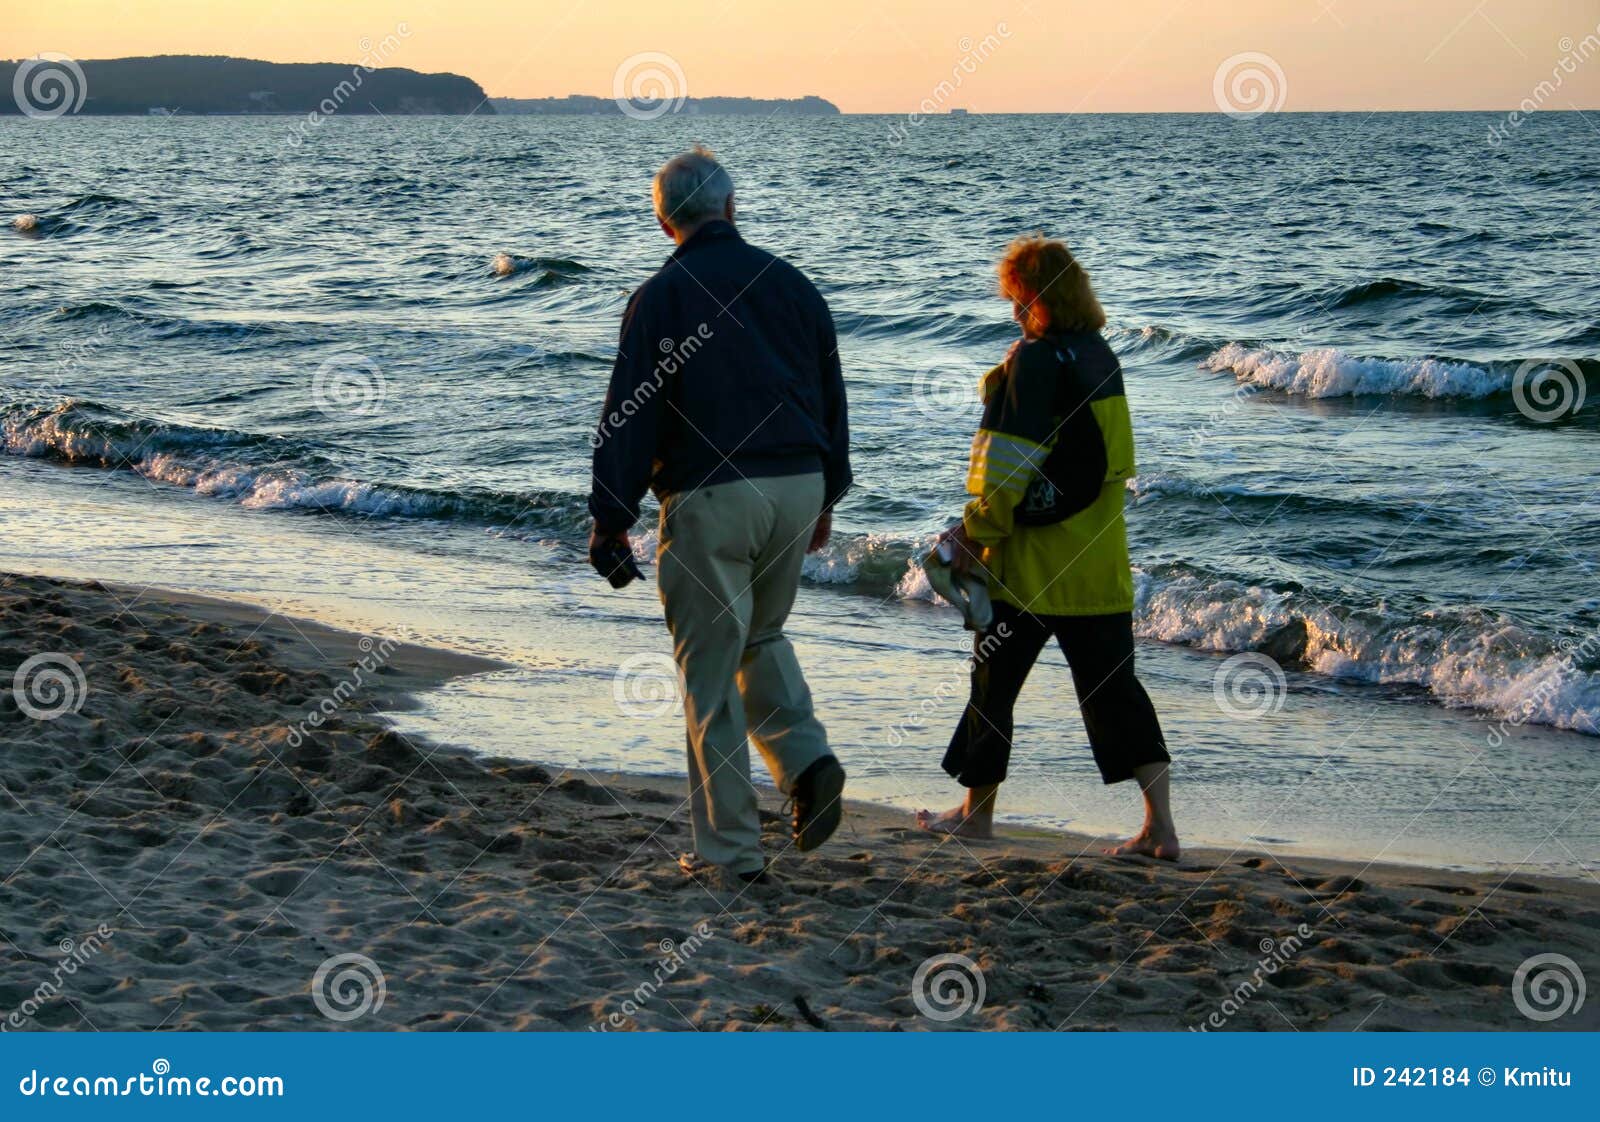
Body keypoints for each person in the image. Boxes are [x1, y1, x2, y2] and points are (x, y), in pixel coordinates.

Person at [588, 147, 852, 884]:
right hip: (797, 481)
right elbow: (831, 394)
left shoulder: (660, 297)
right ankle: (806, 763)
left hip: (713, 492)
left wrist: (611, 516)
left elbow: (630, 414)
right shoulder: (793, 285)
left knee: (708, 674)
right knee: (759, 635)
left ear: (664, 220)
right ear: (731, 208)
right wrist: (827, 490)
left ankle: (731, 855)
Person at [917, 235, 1179, 860]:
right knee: (1116, 695)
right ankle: (1161, 828)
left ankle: (977, 818)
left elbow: (1006, 464)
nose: (1011, 310)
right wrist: (1006, 372)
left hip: (1028, 568)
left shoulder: (1036, 362)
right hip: (1097, 565)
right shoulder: (1100, 356)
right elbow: (1108, 460)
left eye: (1014, 298)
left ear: (1032, 297)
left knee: (993, 686)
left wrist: (975, 531)